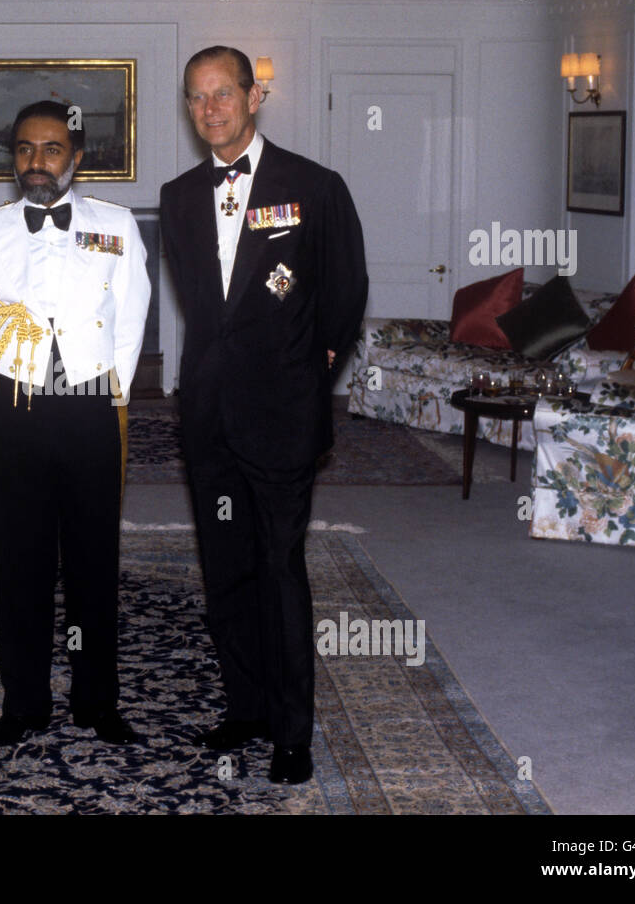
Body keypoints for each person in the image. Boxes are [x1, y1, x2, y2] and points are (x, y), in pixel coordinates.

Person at [159, 47, 368, 784]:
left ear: (254, 97)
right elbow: (200, 307)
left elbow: (344, 295)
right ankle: (245, 706)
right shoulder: (178, 196)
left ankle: (291, 732)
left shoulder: (314, 186)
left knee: (279, 569)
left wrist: (311, 377)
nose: (210, 109)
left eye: (224, 94)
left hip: (281, 415)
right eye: (196, 98)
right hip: (209, 418)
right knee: (226, 570)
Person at [0, 100, 151, 746]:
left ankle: (97, 702)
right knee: (21, 562)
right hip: (19, 405)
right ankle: (25, 704)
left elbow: (130, 314)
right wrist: (16, 389)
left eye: (49, 149)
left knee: (95, 560)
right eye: (22, 149)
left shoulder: (116, 224)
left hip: (94, 402)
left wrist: (105, 390)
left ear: (76, 156)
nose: (35, 162)